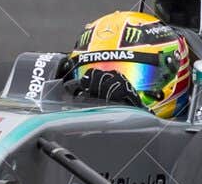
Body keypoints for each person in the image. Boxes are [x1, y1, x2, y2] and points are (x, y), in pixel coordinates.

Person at [63, 11, 192, 119]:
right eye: (93, 75)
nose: (109, 91)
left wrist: (135, 108)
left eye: (128, 74)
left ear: (174, 66)